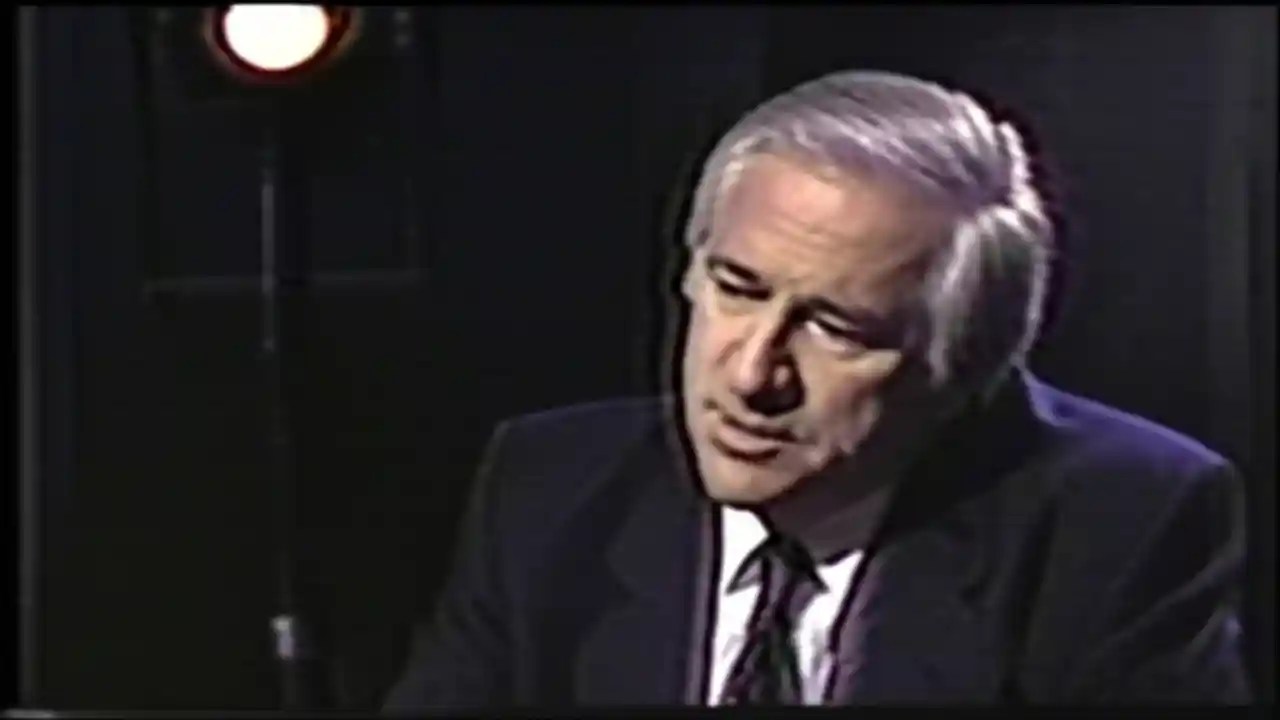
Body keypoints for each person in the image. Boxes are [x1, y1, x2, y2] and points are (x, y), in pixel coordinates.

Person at [382, 70, 1252, 707]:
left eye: (838, 329)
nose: (753, 374)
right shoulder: (553, 487)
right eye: (738, 288)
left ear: (963, 369)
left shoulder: (1116, 521)